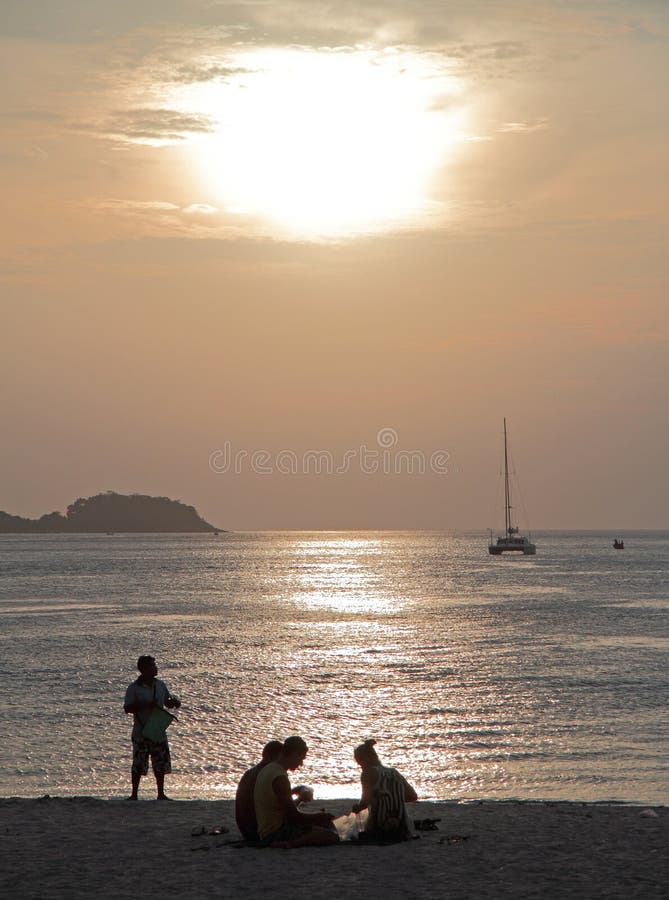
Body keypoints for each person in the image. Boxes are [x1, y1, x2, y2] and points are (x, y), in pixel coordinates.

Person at [253, 735, 339, 848]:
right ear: (294, 754)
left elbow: (281, 809)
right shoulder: (280, 778)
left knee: (323, 825)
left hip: (266, 831)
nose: (301, 764)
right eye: (301, 758)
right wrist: (319, 817)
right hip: (275, 833)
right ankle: (291, 843)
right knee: (330, 835)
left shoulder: (268, 769)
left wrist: (300, 801)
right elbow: (294, 817)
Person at [123, 655, 181, 800]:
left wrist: (174, 702)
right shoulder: (134, 688)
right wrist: (146, 705)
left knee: (160, 763)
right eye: (152, 666)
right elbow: (127, 708)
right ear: (144, 669)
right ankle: (134, 794)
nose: (155, 668)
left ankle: (161, 794)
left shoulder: (160, 685)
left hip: (157, 730)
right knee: (138, 763)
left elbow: (167, 702)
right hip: (141, 731)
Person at [235, 740, 314, 840]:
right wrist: (300, 799)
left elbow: (269, 799)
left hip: (245, 828)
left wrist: (294, 792)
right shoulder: (273, 773)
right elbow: (286, 812)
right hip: (257, 829)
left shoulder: (253, 773)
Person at [352, 739, 417, 841]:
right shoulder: (394, 772)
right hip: (401, 828)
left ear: (363, 760)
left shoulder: (368, 773)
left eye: (359, 763)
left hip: (379, 828)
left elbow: (365, 802)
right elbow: (412, 796)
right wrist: (394, 796)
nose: (360, 766)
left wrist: (357, 807)